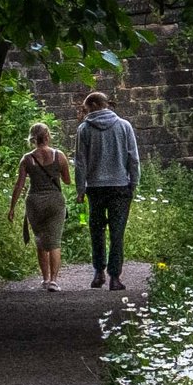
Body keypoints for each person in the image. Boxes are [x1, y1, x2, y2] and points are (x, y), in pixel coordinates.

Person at [71, 90, 141, 290]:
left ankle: (98, 272)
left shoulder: (84, 129)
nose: (84, 113)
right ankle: (115, 278)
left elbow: (80, 163)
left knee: (97, 230)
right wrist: (133, 184)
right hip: (120, 187)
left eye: (85, 109)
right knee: (117, 233)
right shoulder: (124, 126)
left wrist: (80, 189)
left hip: (95, 188)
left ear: (93, 106)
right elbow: (133, 159)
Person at [9, 120, 73, 289]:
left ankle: (44, 279)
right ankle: (54, 280)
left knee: (40, 240)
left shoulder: (27, 159)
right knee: (54, 241)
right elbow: (67, 181)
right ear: (47, 136)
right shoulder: (59, 156)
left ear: (33, 138)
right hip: (55, 201)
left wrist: (12, 207)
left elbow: (19, 185)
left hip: (34, 202)